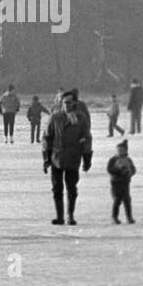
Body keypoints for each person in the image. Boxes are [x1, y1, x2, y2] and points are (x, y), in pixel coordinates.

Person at [42, 89, 92, 225]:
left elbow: (87, 138)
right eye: (64, 103)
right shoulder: (55, 117)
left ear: (75, 103)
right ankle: (60, 216)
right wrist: (46, 158)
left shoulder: (81, 118)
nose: (67, 105)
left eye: (69, 103)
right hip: (56, 158)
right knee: (57, 189)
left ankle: (70, 215)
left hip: (73, 158)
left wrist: (87, 158)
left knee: (71, 188)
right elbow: (47, 137)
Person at [106, 139, 136, 224]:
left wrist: (129, 173)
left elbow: (133, 169)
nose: (120, 152)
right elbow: (109, 169)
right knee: (117, 199)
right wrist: (118, 170)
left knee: (127, 200)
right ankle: (114, 217)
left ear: (126, 151)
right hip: (116, 183)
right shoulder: (113, 159)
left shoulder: (128, 160)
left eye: (122, 150)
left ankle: (129, 217)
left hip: (125, 183)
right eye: (118, 150)